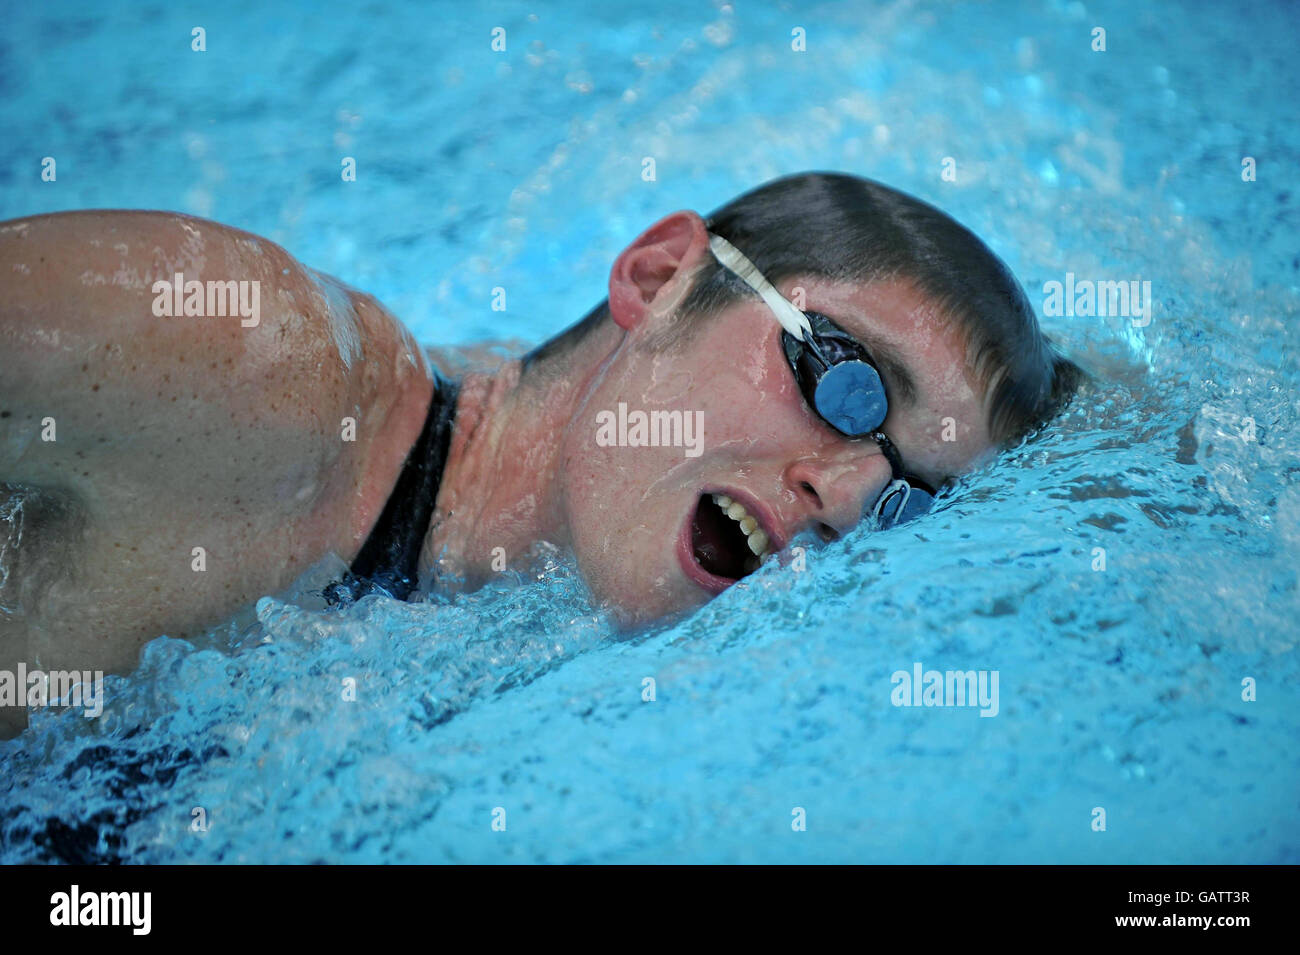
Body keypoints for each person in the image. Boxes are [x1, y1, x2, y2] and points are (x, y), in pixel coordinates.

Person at [0, 171, 1085, 737]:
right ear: (657, 281)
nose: (847, 494)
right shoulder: (246, 363)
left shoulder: (542, 625)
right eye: (845, 383)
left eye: (905, 499)